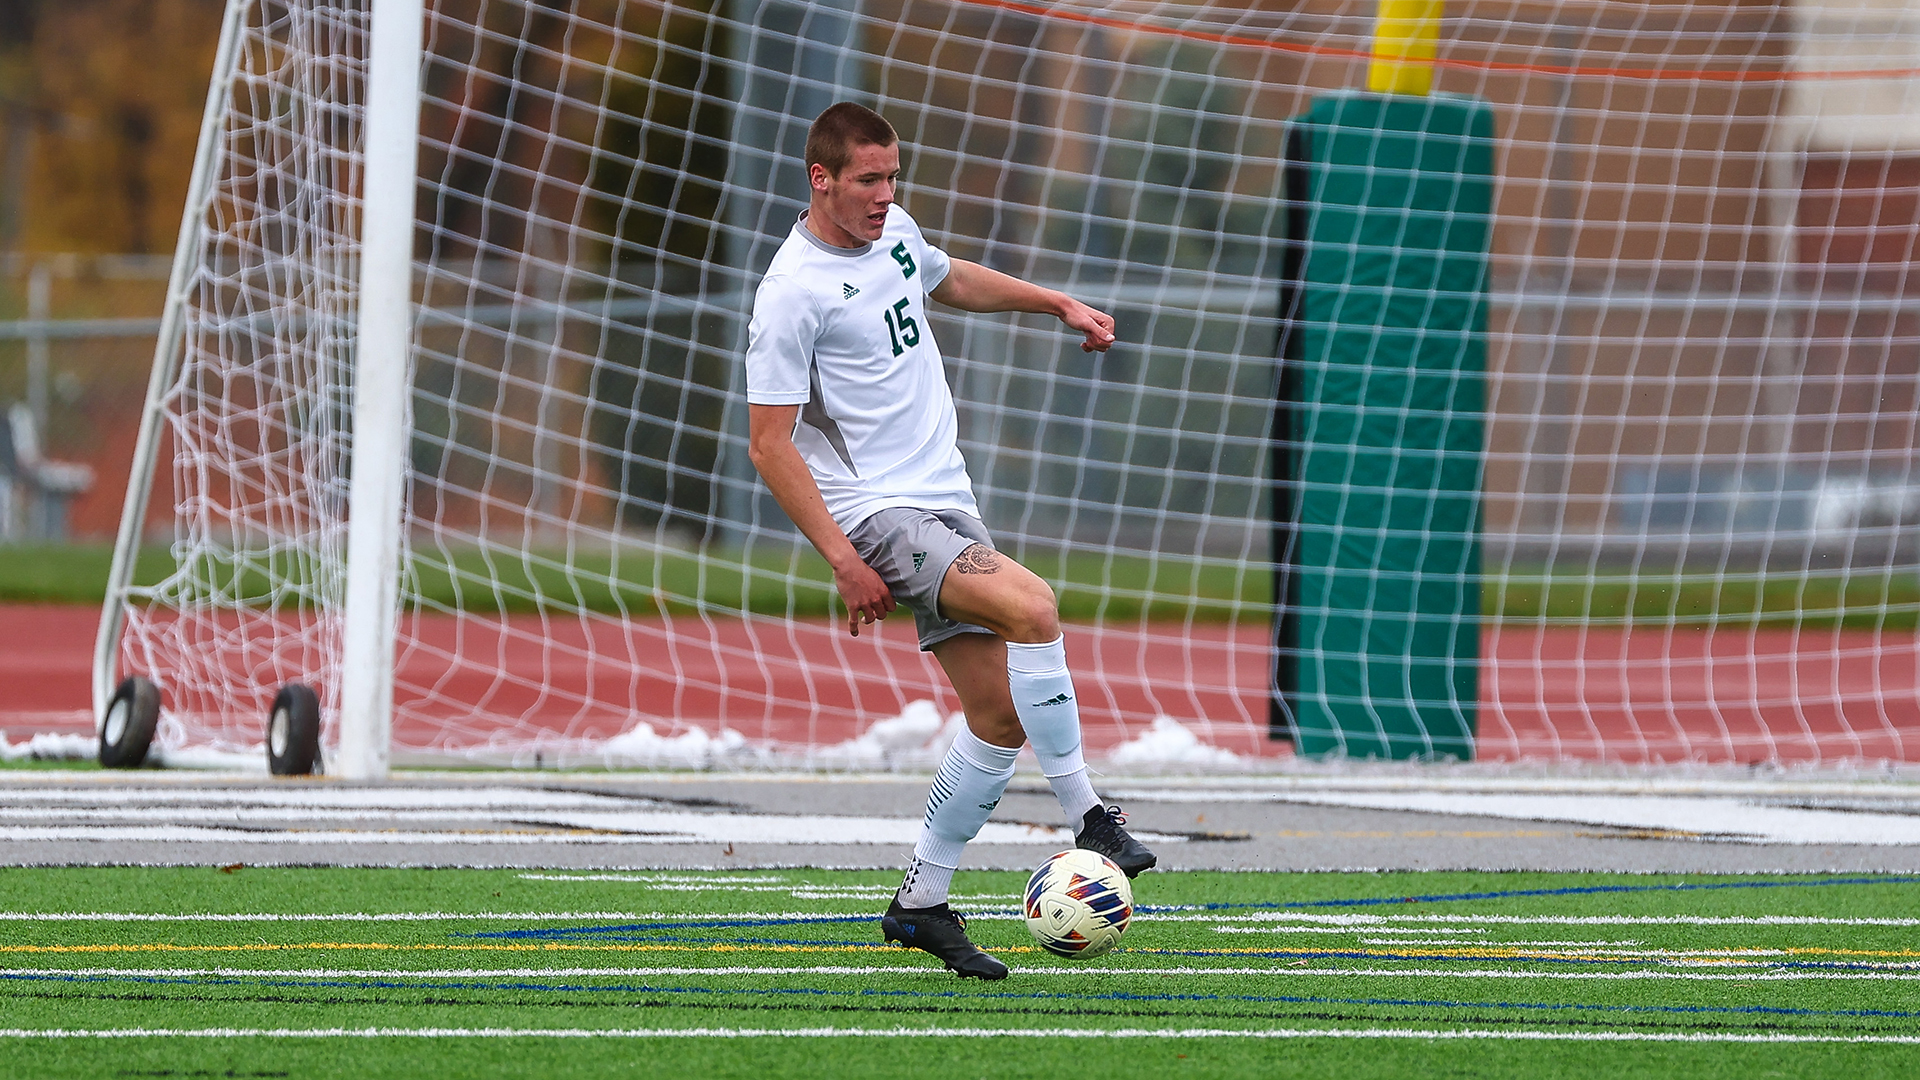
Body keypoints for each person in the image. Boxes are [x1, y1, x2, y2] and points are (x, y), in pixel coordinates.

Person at [743, 102, 1156, 981]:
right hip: (879, 514)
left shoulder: (893, 232)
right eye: (868, 180)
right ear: (821, 179)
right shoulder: (791, 293)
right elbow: (769, 445)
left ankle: (921, 902)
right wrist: (844, 559)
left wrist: (1055, 302)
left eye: (893, 178)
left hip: (945, 502)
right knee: (1032, 605)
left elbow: (947, 278)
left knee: (999, 718)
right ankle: (1091, 817)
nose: (885, 195)